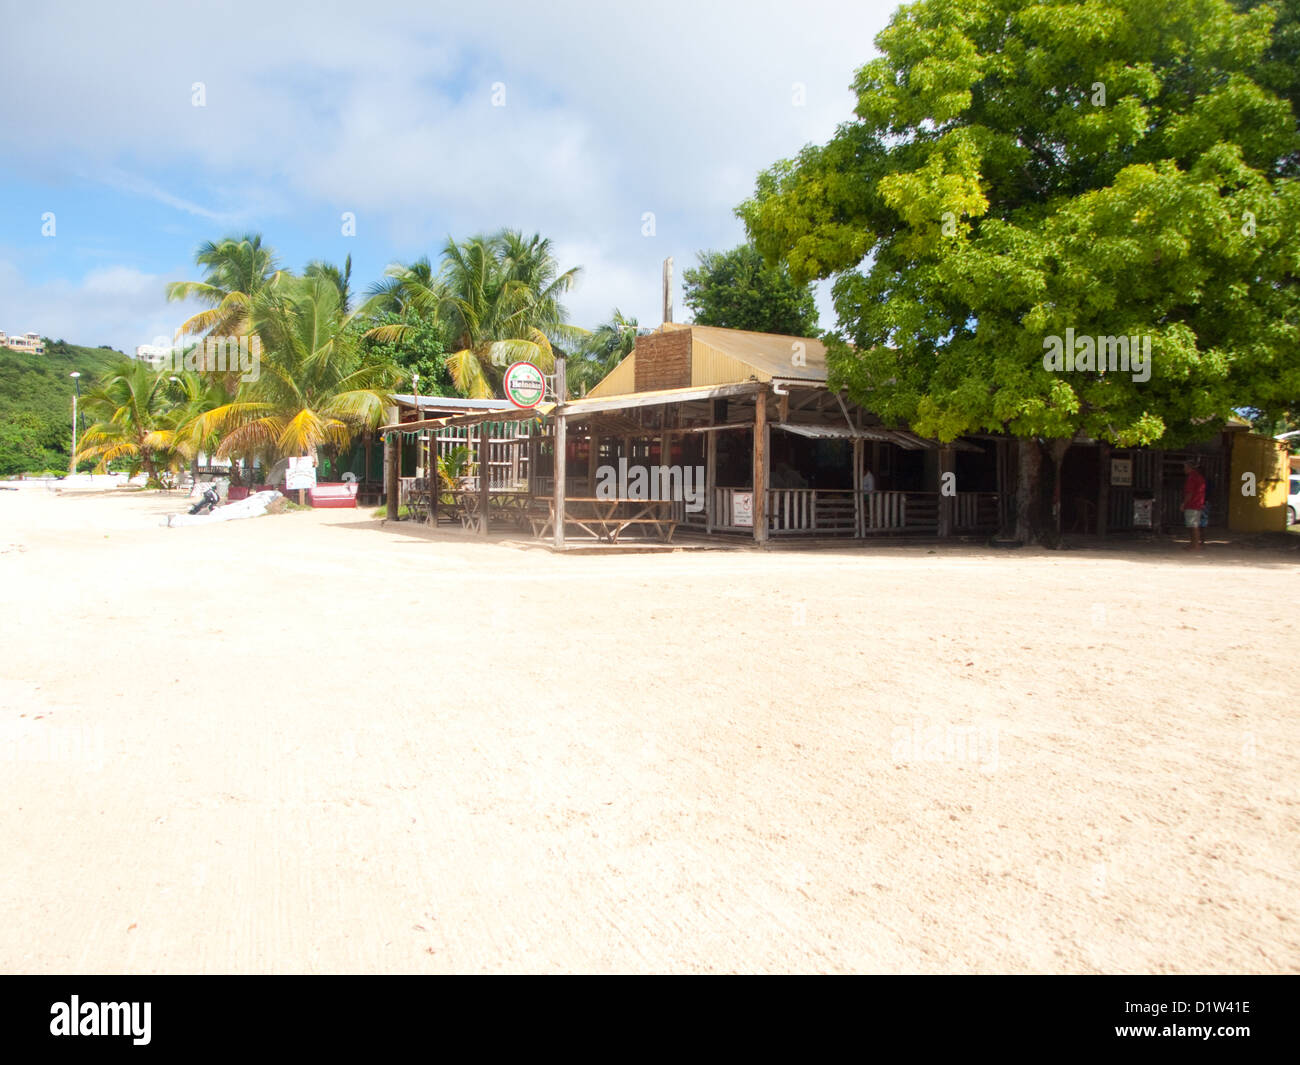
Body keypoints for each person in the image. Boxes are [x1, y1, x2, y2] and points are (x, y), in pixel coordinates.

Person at [1182, 458, 1206, 552]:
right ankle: (1193, 544)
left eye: (1185, 467)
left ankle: (1195, 545)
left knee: (1193, 526)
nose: (1184, 469)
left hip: (1193, 504)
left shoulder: (1192, 477)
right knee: (1193, 525)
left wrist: (1184, 503)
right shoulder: (1199, 477)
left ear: (1189, 467)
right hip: (1198, 503)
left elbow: (1190, 492)